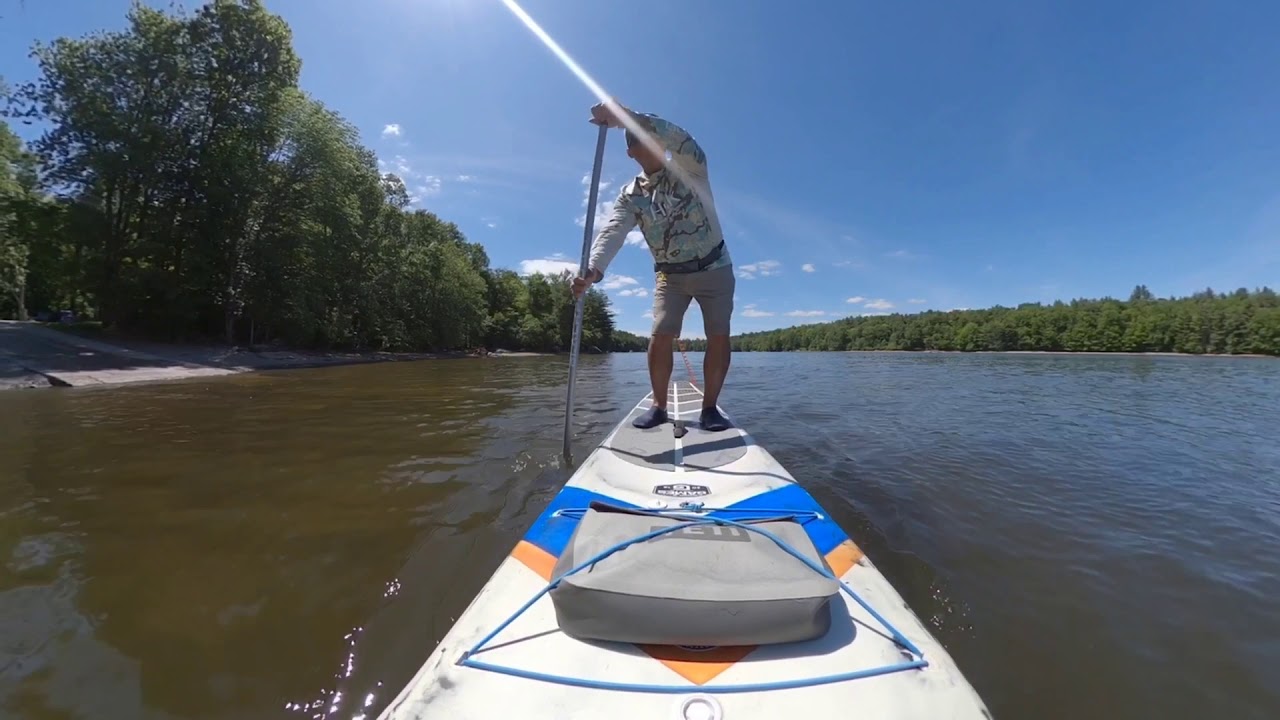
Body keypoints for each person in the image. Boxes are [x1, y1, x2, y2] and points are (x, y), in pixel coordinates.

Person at [571, 99, 734, 432]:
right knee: (660, 335)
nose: (657, 145)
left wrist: (626, 117)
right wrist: (593, 270)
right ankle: (659, 407)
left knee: (718, 334)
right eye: (644, 140)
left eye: (657, 138)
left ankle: (710, 408)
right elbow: (614, 230)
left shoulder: (691, 168)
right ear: (632, 152)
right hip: (670, 277)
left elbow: (681, 137)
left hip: (714, 266)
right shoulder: (631, 196)